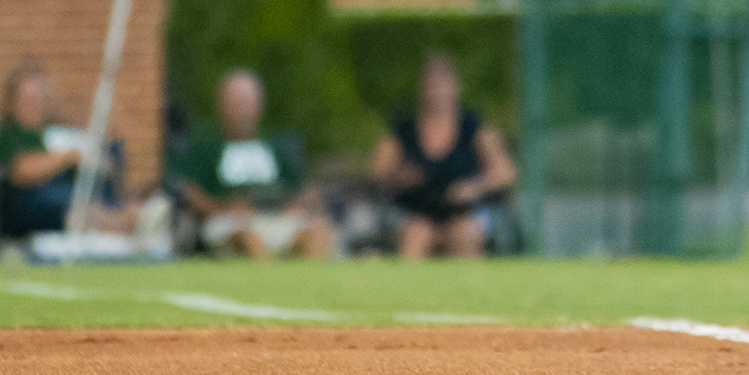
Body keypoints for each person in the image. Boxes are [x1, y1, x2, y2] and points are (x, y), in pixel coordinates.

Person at [171, 69, 332, 259]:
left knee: (318, 232)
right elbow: (188, 190)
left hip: (278, 217)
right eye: (235, 103)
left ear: (258, 107)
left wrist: (293, 207)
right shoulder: (207, 151)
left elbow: (305, 188)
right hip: (233, 223)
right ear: (222, 107)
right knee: (247, 239)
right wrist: (221, 209)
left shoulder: (276, 149)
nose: (241, 111)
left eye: (246, 102)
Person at [368, 54, 516, 259]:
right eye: (431, 83)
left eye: (443, 82)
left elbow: (505, 172)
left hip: (462, 213)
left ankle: (470, 290)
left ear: (456, 86)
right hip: (415, 213)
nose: (437, 90)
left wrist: (473, 187)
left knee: (464, 233)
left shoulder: (474, 128)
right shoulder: (404, 130)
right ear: (421, 87)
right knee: (415, 235)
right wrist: (400, 177)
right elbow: (377, 172)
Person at [0, 67, 164, 240]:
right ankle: (137, 225)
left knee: (102, 205)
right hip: (31, 210)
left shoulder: (52, 133)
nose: (35, 106)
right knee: (86, 213)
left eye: (39, 100)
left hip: (70, 203)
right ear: (12, 103)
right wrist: (67, 157)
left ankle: (138, 219)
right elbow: (21, 170)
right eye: (29, 100)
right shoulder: (9, 135)